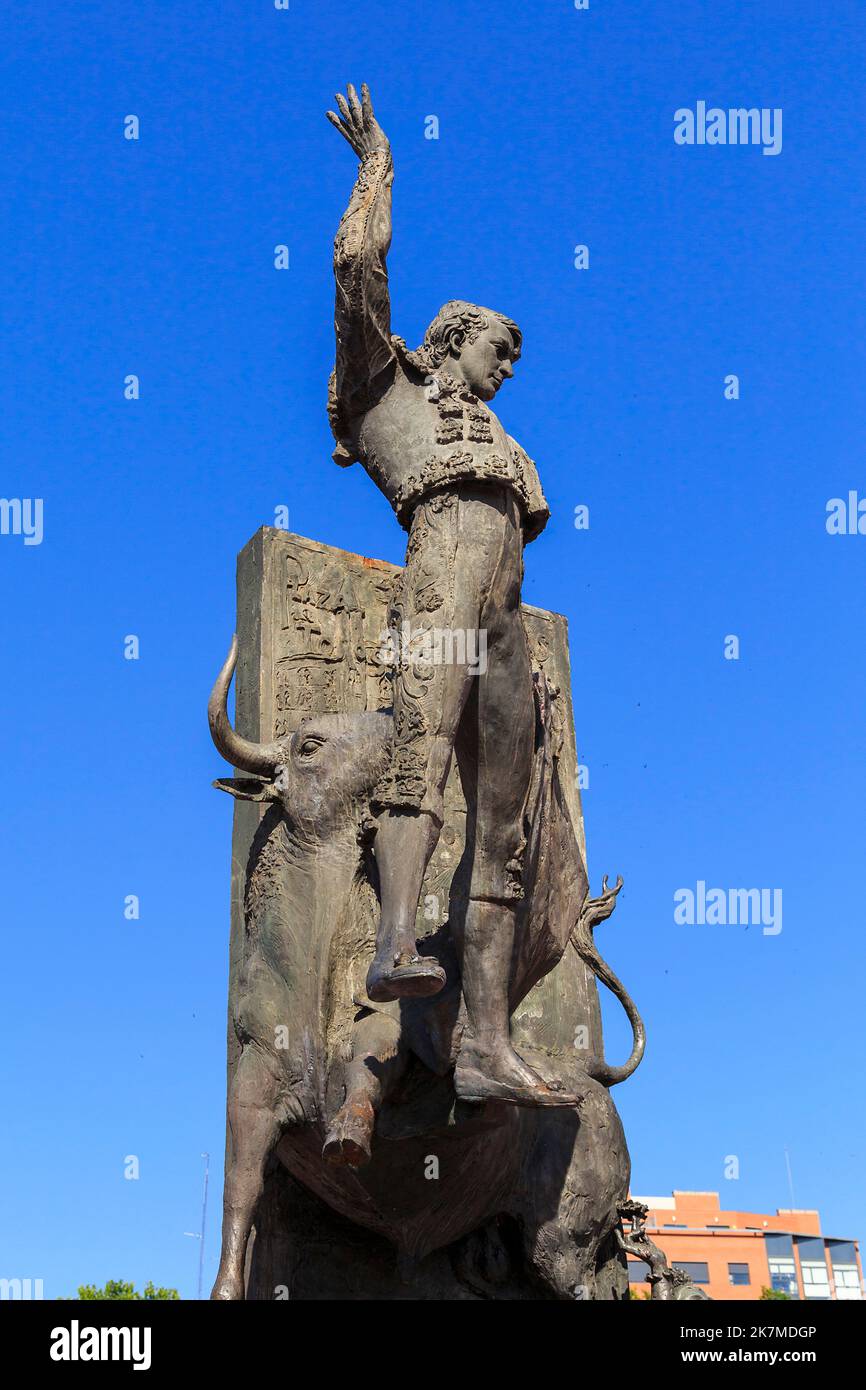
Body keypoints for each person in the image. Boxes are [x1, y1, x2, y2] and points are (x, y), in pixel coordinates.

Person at [326, 84, 576, 1107]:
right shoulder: (391, 392)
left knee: (507, 815)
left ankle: (482, 1037)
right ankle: (392, 947)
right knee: (421, 745)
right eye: (498, 348)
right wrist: (376, 162)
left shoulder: (504, 439)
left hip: (508, 601)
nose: (508, 367)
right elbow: (355, 273)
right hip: (444, 556)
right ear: (452, 337)